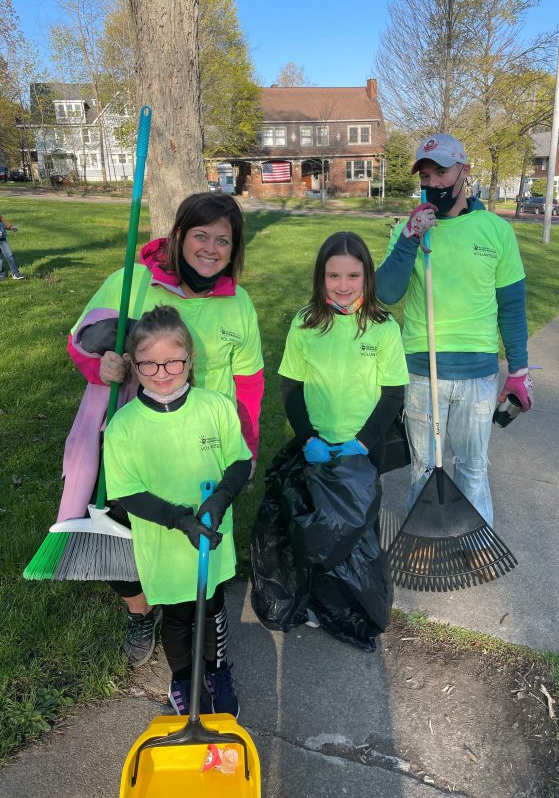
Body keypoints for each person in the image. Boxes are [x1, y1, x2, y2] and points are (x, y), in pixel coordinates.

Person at [66, 192, 264, 666]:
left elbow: (249, 381)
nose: (211, 248)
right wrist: (103, 368)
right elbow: (82, 342)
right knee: (114, 530)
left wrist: (248, 445)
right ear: (178, 236)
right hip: (131, 435)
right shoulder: (130, 282)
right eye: (202, 235)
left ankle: (201, 621)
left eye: (223, 240)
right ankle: (140, 612)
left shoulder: (237, 303)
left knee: (191, 536)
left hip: (200, 442)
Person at [375, 134, 532, 570]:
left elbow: (512, 307)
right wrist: (409, 238)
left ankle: (479, 544)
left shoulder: (496, 232)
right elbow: (385, 293)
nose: (434, 183)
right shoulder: (411, 230)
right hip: (423, 371)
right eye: (426, 176)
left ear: (464, 171)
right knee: (424, 465)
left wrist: (517, 370)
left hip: (478, 374)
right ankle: (423, 539)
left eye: (441, 172)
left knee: (473, 466)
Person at [104, 305, 251, 716]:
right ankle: (183, 679)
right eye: (149, 363)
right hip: (164, 547)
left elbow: (239, 462)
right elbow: (127, 493)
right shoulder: (124, 426)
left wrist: (219, 499)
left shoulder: (215, 407)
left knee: (211, 604)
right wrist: (179, 519)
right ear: (133, 365)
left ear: (191, 360)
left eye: (173, 361)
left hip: (212, 536)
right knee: (177, 615)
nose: (163, 372)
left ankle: (217, 672)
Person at [279, 231, 408, 628]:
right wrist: (308, 439)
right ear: (321, 278)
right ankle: (322, 600)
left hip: (364, 447)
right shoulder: (304, 323)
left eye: (353, 276)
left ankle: (357, 602)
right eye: (333, 276)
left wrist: (364, 442)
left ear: (367, 277)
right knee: (321, 527)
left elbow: (392, 396)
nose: (343, 286)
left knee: (359, 524)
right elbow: (291, 388)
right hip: (318, 444)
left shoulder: (384, 328)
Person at [0, 214, 25, 280]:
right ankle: (1, 274)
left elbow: (3, 221)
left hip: (2, 239)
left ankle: (15, 273)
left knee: (10, 255)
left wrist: (10, 227)